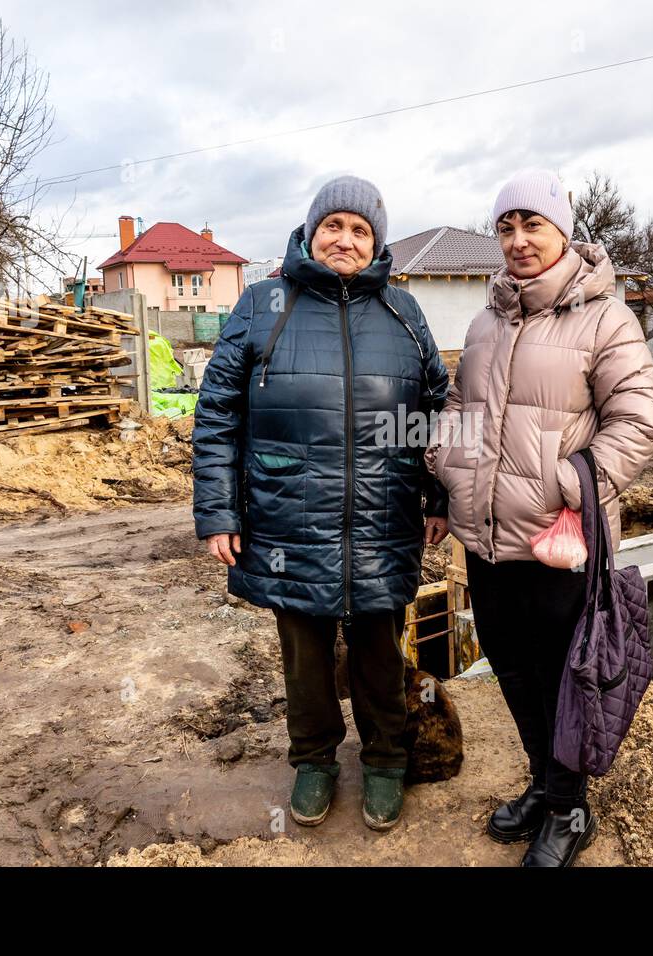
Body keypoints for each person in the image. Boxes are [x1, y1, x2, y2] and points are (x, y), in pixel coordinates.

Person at [193, 175, 449, 831]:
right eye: (333, 225)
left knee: (379, 653)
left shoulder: (403, 313)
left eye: (360, 230)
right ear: (310, 232)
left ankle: (387, 763)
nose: (345, 239)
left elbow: (436, 415)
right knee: (304, 656)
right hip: (286, 517)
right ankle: (313, 760)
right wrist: (219, 510)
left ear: (376, 243)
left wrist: (439, 495)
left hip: (382, 517)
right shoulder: (263, 304)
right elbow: (218, 414)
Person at [425, 168, 653, 866]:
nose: (519, 240)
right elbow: (458, 413)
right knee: (513, 668)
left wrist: (563, 482)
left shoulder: (605, 318)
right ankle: (543, 784)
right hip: (488, 540)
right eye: (507, 226)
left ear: (564, 230)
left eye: (533, 224)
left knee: (566, 678)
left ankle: (570, 809)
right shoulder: (484, 321)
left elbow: (638, 423)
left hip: (560, 541)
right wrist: (445, 458)